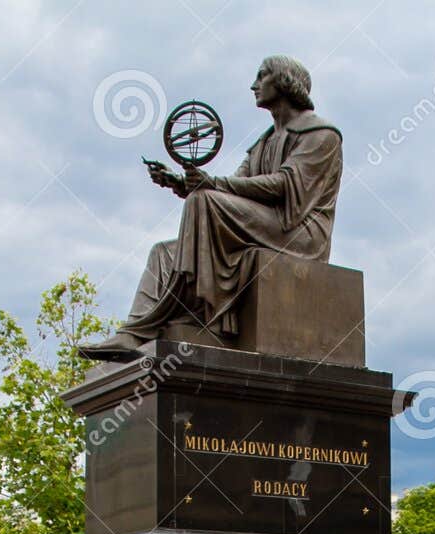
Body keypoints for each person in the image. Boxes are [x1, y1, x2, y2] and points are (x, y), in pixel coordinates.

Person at [80, 55, 342, 359]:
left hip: (298, 232)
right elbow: (234, 186)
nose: (253, 85)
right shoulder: (263, 143)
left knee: (203, 200)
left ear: (284, 80)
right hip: (265, 226)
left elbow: (283, 186)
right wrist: (180, 183)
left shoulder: (320, 134)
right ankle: (134, 333)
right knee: (163, 253)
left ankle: (187, 317)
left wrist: (209, 185)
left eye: (262, 76)